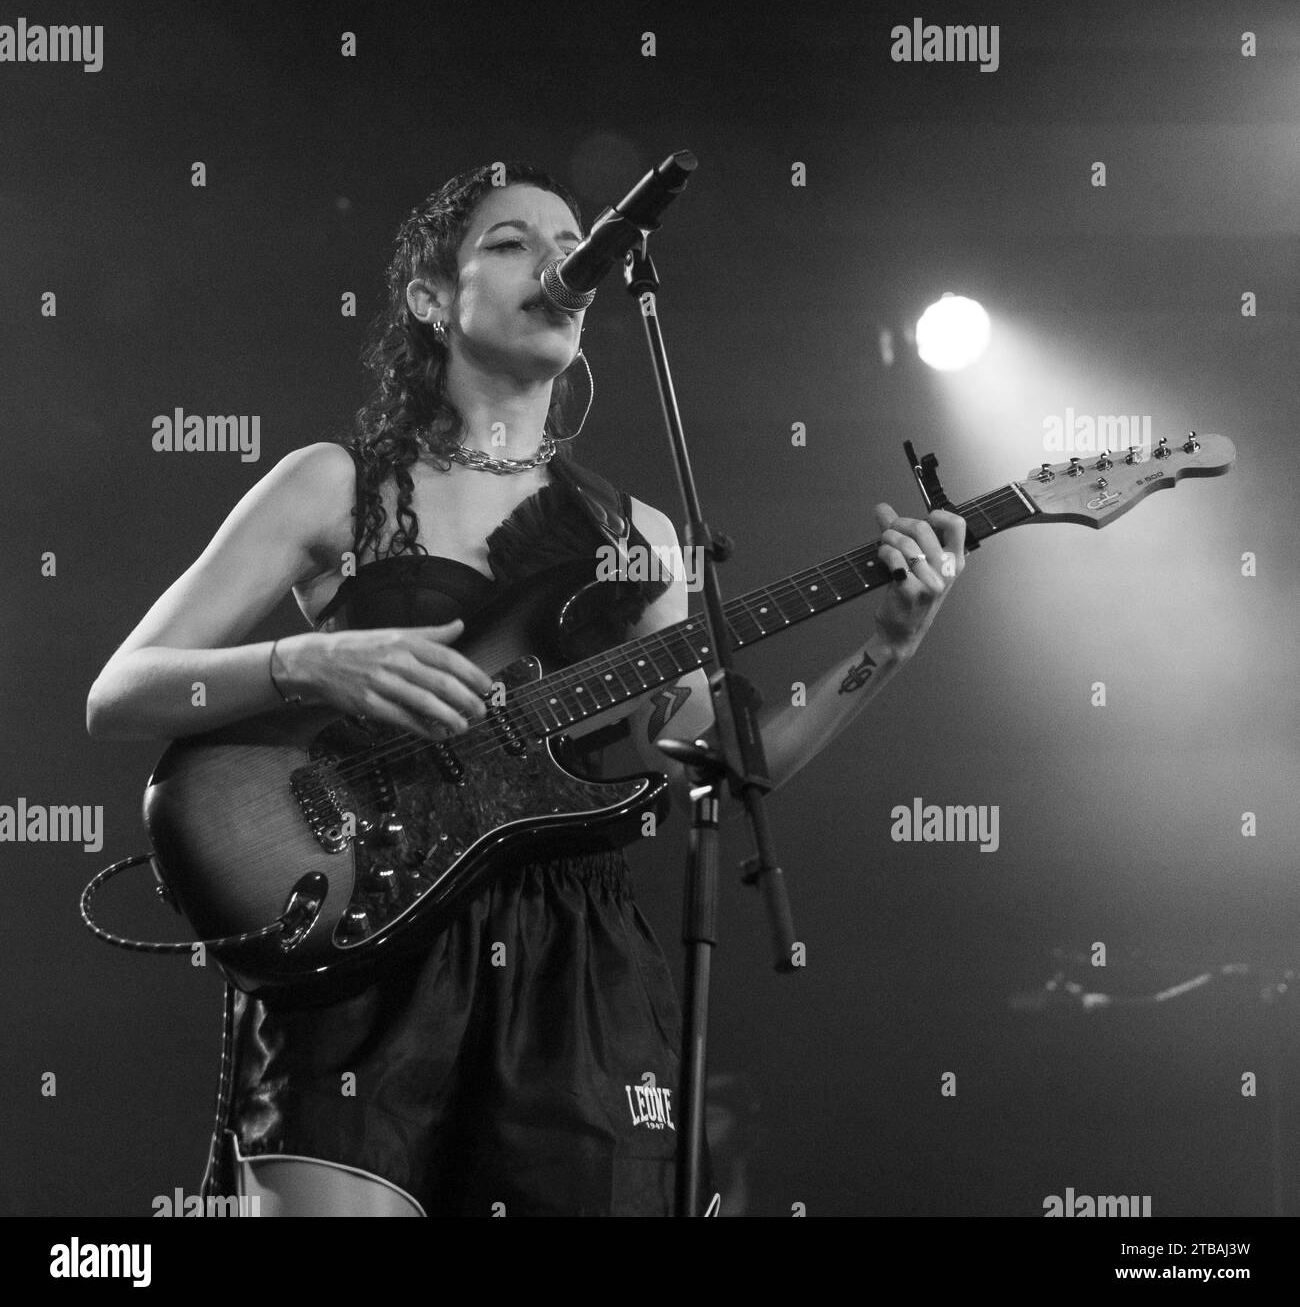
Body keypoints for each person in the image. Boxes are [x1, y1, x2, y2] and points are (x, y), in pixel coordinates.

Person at [86, 161, 967, 1217]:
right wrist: (303, 659)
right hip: (367, 929)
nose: (556, 262)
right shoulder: (336, 483)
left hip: (572, 959)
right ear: (429, 297)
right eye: (511, 243)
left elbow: (726, 756)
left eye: (568, 245)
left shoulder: (635, 533)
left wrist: (888, 644)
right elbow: (123, 691)